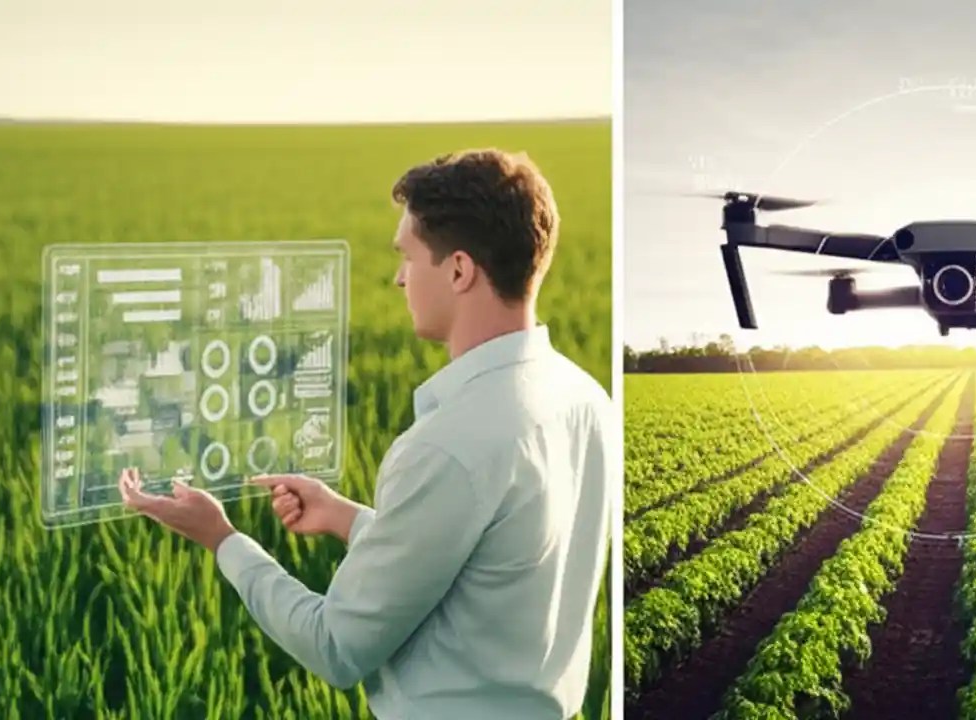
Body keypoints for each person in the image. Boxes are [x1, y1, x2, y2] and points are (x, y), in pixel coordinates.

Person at [118, 148, 615, 719]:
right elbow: (494, 564)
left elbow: (336, 646)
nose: (399, 276)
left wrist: (221, 538)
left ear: (458, 270)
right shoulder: (585, 398)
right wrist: (345, 517)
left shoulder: (447, 446)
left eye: (408, 256)